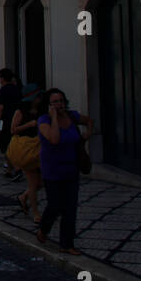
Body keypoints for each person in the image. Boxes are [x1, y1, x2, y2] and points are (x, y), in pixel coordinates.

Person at [37, 88, 92, 254]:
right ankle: (44, 229)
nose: (59, 104)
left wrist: (87, 134)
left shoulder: (72, 116)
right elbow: (54, 139)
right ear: (48, 105)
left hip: (71, 168)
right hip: (52, 169)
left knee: (70, 207)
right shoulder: (44, 120)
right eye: (55, 102)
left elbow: (90, 121)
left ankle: (67, 244)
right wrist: (53, 117)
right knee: (55, 205)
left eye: (61, 100)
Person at [8, 85, 45, 223]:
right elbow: (13, 130)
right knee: (33, 184)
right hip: (26, 149)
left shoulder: (42, 110)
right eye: (38, 97)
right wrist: (29, 125)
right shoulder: (21, 111)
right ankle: (36, 213)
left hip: (39, 148)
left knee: (40, 183)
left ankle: (23, 198)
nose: (40, 99)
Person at [0, 68, 22, 176]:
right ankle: (9, 169)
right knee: (11, 143)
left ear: (3, 78)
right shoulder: (17, 89)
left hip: (4, 121)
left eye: (0, 77)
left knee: (4, 145)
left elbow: (0, 108)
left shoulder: (3, 90)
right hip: (16, 120)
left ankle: (16, 168)